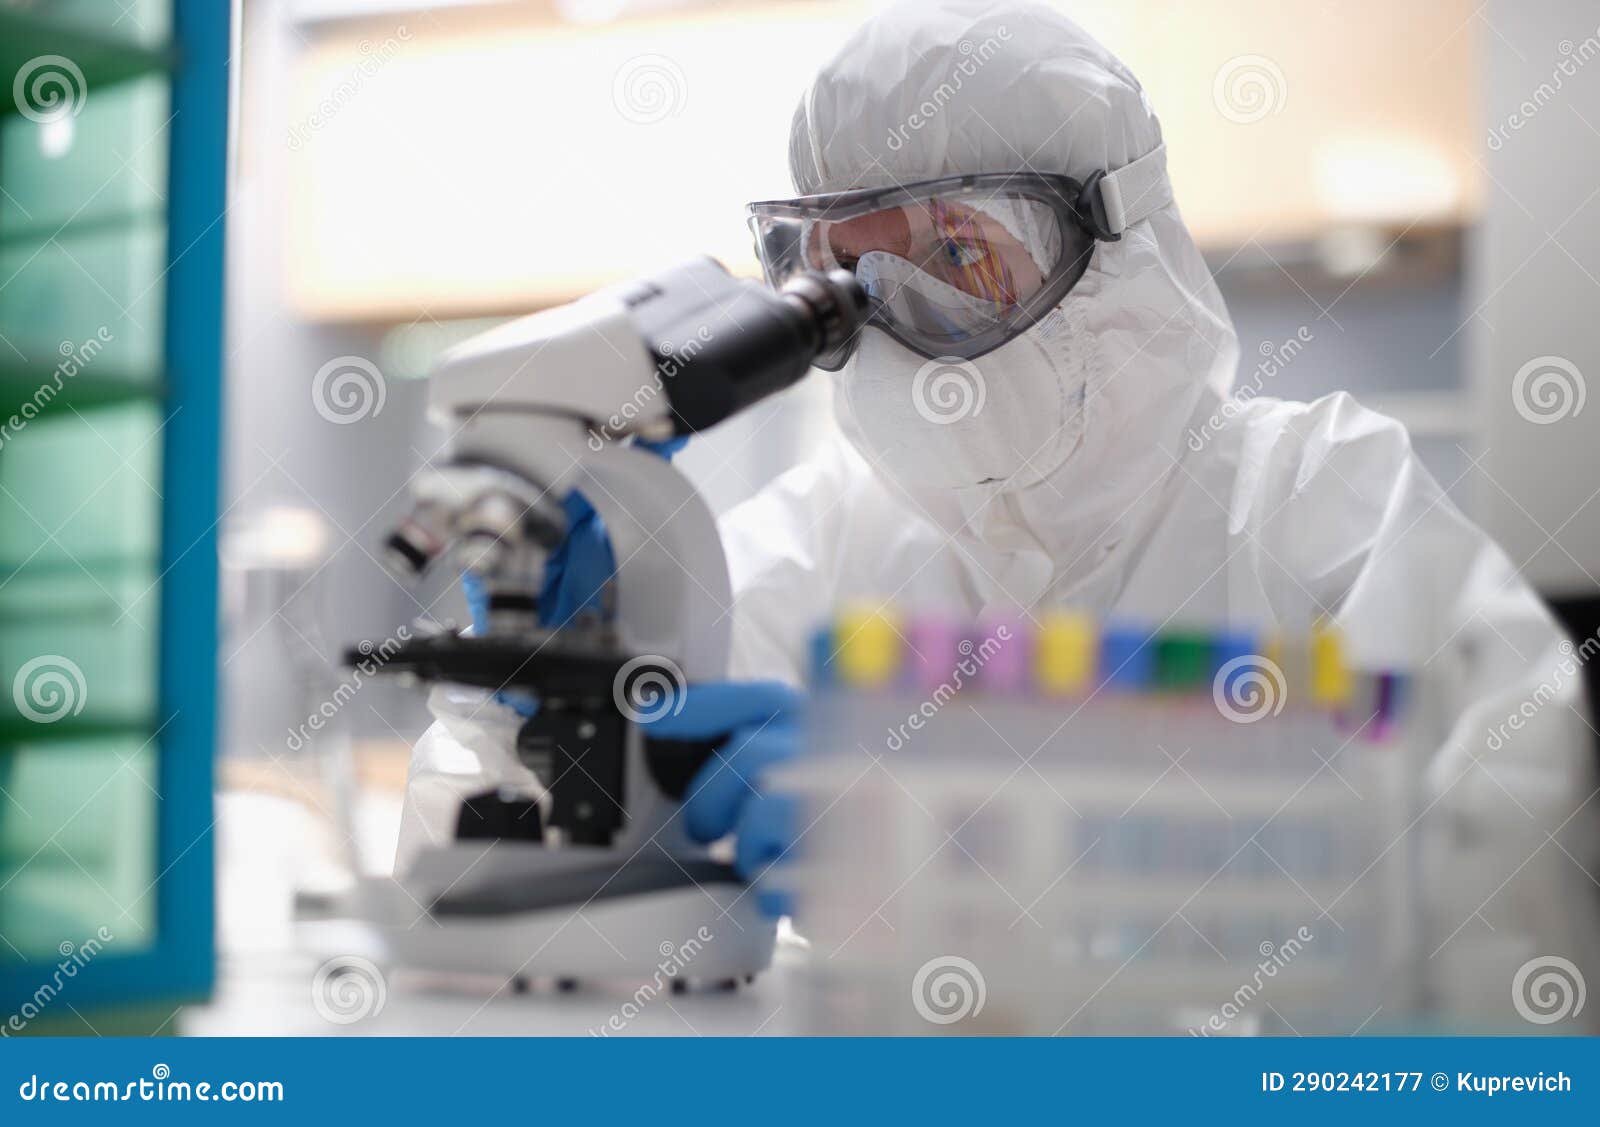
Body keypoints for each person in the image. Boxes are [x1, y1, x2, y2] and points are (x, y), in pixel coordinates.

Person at [402, 0, 1598, 1022]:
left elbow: (1505, 959)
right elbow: (476, 879)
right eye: (850, 281)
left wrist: (980, 867)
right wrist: (559, 681)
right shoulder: (823, 539)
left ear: (1116, 242)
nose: (897, 330)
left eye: (956, 260)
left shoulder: (1326, 508)